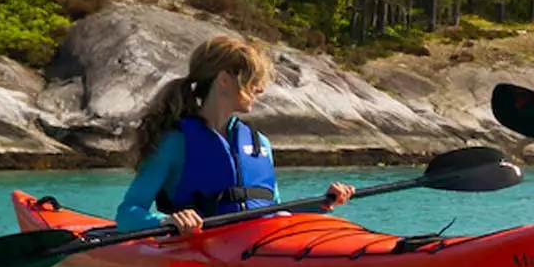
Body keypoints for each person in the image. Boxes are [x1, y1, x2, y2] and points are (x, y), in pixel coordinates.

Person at [115, 34, 355, 233]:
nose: (260, 89)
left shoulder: (259, 143)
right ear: (224, 80)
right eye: (252, 81)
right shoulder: (176, 143)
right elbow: (128, 213)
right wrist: (166, 221)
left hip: (259, 244)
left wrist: (322, 202)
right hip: (203, 255)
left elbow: (273, 209)